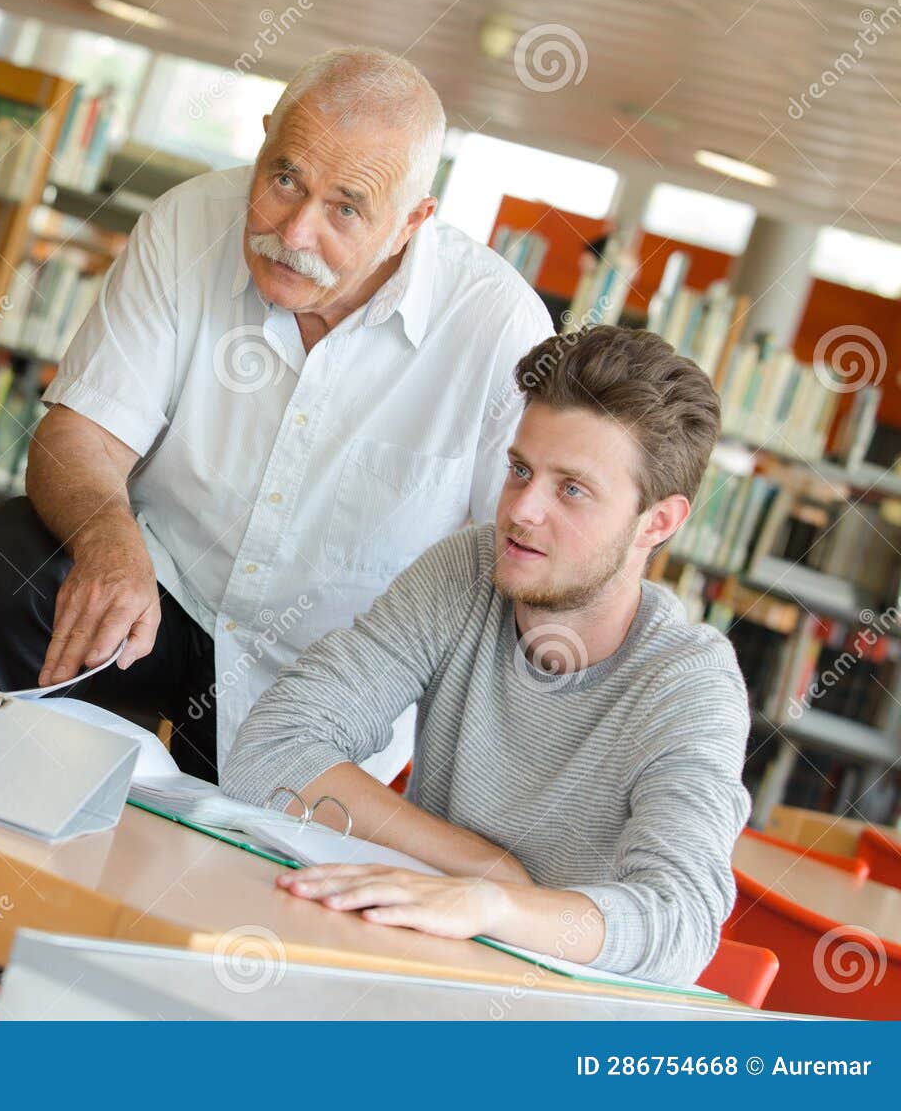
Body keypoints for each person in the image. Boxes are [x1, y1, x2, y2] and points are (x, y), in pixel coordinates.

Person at [0, 46, 552, 784]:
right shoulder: (185, 223)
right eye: (285, 178)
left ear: (412, 221)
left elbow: (519, 565)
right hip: (160, 589)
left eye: (346, 208)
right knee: (7, 558)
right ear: (263, 137)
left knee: (216, 872)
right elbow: (78, 433)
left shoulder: (498, 330)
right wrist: (109, 543)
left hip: (325, 679)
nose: (294, 232)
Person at [223, 325, 751, 985]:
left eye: (572, 490)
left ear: (659, 522)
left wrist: (493, 906)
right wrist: (485, 868)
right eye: (521, 470)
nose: (521, 511)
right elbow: (269, 750)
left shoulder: (690, 683)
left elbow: (679, 923)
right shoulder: (471, 570)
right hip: (406, 976)